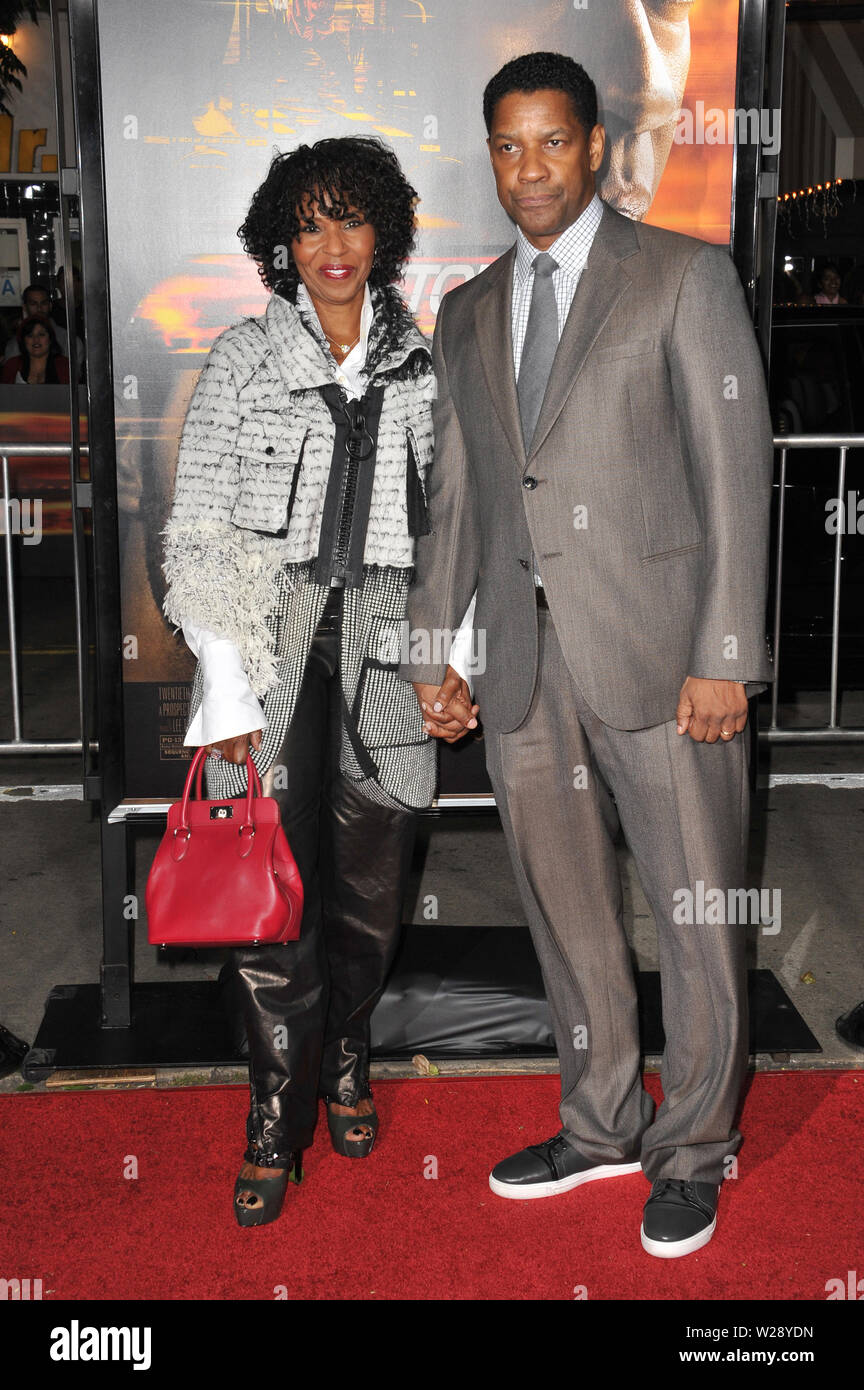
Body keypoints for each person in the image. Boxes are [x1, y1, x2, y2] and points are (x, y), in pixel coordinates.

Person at [400, 51, 774, 1259]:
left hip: (666, 662)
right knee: (566, 914)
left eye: (551, 141)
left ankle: (696, 1145)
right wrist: (428, 653)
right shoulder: (463, 311)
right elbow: (457, 501)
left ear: (596, 147)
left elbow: (735, 476)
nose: (529, 169)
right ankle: (602, 1119)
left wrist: (726, 652)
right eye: (507, 146)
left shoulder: (680, 276)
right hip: (521, 667)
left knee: (696, 908)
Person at [161, 135, 477, 1228]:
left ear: (383, 233)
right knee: (269, 905)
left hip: (393, 640)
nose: (332, 245)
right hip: (269, 646)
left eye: (352, 221)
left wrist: (452, 658)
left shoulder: (426, 368)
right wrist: (227, 685)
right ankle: (271, 1112)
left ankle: (345, 1050)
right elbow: (198, 533)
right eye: (310, 223)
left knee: (372, 897)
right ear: (281, 243)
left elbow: (454, 536)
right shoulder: (244, 361)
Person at [2, 282, 83, 371]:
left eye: (43, 303)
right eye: (33, 304)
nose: (39, 308)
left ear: (50, 306)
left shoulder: (69, 341)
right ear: (25, 307)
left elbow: (74, 377)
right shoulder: (14, 345)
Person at [0, 314, 70, 384]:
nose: (36, 340)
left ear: (50, 339)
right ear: (23, 341)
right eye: (30, 335)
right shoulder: (12, 365)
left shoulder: (65, 365)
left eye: (41, 334)